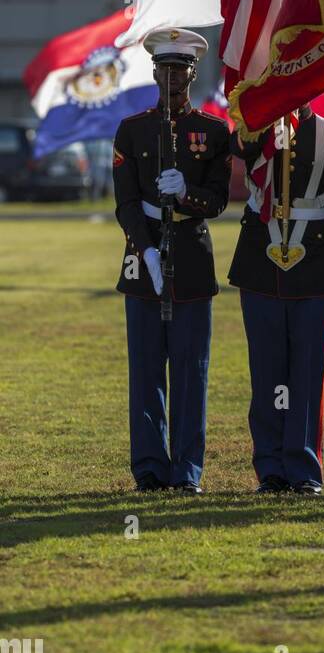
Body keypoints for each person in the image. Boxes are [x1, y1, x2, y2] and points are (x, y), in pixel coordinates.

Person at [112, 28, 231, 494]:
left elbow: (219, 201)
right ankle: (148, 467)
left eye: (179, 70)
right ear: (154, 71)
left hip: (191, 255)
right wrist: (146, 252)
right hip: (144, 260)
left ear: (192, 73)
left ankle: (186, 471)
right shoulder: (133, 129)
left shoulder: (214, 131)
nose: (171, 78)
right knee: (145, 371)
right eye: (164, 69)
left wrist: (188, 195)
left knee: (189, 371)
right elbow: (124, 204)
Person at [229, 103, 324, 495]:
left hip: (315, 266)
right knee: (267, 371)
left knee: (306, 373)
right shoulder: (256, 128)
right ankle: (269, 467)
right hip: (259, 264)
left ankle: (303, 466)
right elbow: (238, 147)